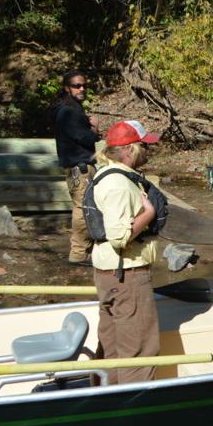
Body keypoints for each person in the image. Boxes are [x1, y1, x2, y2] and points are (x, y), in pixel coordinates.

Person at [91, 120, 162, 384]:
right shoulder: (119, 184)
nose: (148, 151)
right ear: (130, 150)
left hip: (109, 274)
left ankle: (108, 395)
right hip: (127, 275)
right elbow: (119, 236)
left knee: (113, 346)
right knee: (140, 349)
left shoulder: (104, 174)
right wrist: (149, 213)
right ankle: (134, 405)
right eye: (144, 146)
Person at [52, 69, 99, 266]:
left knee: (85, 207)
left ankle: (84, 250)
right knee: (83, 209)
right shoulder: (69, 111)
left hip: (79, 166)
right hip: (80, 168)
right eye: (77, 86)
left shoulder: (69, 108)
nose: (82, 89)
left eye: (84, 85)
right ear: (67, 88)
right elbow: (85, 137)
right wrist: (95, 127)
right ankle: (79, 253)